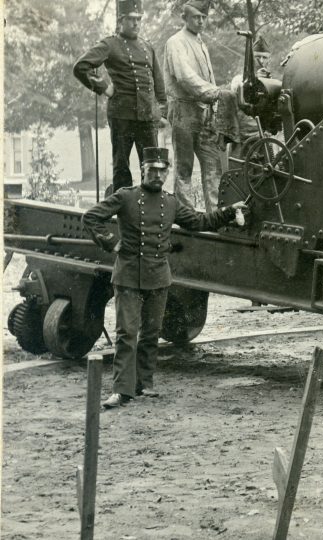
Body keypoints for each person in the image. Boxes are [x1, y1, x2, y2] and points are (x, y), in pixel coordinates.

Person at [82, 147, 247, 409]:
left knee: (151, 333)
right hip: (128, 276)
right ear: (143, 170)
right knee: (127, 333)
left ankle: (144, 384)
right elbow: (91, 217)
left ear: (167, 172)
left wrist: (229, 212)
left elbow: (199, 222)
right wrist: (111, 243)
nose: (157, 175)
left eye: (162, 170)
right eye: (152, 170)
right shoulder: (125, 197)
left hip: (158, 277)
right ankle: (122, 390)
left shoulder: (170, 203)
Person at [73, 0, 166, 196]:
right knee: (121, 167)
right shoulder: (110, 44)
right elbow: (81, 67)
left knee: (152, 166)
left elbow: (159, 83)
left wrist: (162, 112)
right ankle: (123, 214)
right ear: (120, 20)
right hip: (122, 116)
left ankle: (151, 212)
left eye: (138, 19)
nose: (136, 24)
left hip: (147, 118)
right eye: (131, 19)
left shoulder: (148, 47)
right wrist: (104, 87)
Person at [163, 0, 223, 210]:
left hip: (204, 112)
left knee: (213, 165)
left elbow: (209, 76)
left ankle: (214, 215)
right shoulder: (176, 42)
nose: (200, 21)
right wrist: (213, 93)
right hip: (183, 110)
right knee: (184, 167)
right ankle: (186, 216)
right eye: (196, 17)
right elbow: (185, 77)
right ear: (185, 17)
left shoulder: (200, 43)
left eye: (203, 17)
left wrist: (214, 103)